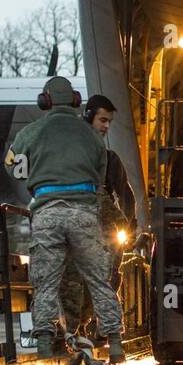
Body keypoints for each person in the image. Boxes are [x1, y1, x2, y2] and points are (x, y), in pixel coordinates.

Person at [6, 77, 124, 363]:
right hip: (83, 212)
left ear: (44, 101)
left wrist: (38, 179)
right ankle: (115, 343)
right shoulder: (93, 136)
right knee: (98, 279)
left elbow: (12, 165)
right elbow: (99, 178)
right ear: (74, 100)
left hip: (47, 213)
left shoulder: (31, 132)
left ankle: (46, 344)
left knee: (46, 281)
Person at [61, 95, 136, 338]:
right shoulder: (72, 155)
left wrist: (129, 226)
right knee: (76, 281)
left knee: (105, 279)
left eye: (109, 122)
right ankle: (78, 328)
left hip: (103, 231)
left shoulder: (110, 159)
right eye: (102, 120)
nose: (106, 126)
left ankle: (90, 327)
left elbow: (125, 194)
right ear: (89, 116)